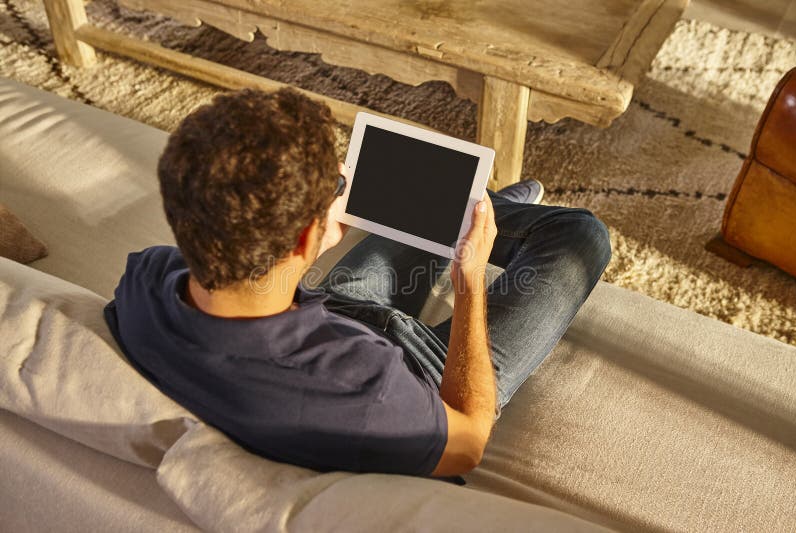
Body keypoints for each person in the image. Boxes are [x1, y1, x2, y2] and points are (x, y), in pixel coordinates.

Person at [104, 88, 611, 479]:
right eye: (335, 184)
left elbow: (255, 285)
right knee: (579, 235)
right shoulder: (365, 393)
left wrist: (314, 235)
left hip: (332, 309)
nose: (341, 180)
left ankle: (483, 205)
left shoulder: (145, 278)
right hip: (424, 372)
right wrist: (471, 280)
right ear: (305, 235)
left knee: (436, 205)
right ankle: (490, 211)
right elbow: (470, 442)